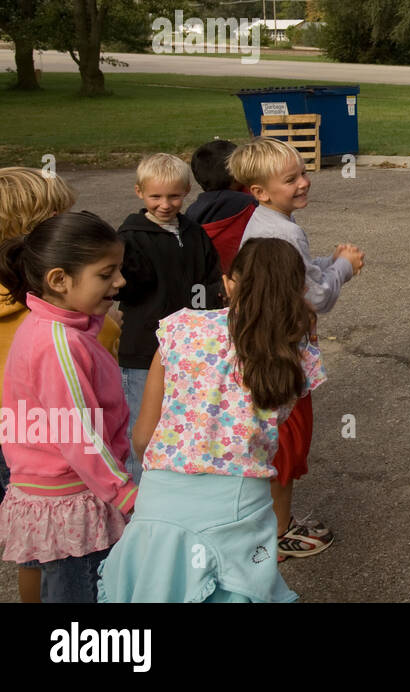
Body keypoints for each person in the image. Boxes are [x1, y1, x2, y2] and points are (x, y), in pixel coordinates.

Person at [98, 238, 322, 602]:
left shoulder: (178, 329)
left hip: (163, 495)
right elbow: (271, 429)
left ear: (229, 283)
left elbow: (143, 436)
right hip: (238, 499)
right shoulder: (297, 353)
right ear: (299, 289)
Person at [232, 136, 364, 560]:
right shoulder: (283, 232)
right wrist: (345, 266)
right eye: (291, 179)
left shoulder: (266, 223)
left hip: (268, 348)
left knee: (277, 444)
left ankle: (272, 525)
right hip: (282, 357)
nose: (304, 183)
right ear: (260, 191)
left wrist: (329, 262)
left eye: (304, 173)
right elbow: (317, 297)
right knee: (284, 445)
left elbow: (300, 276)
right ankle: (278, 534)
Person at [0, 168, 125, 603]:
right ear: (58, 278)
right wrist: (124, 491)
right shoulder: (59, 341)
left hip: (54, 485)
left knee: (57, 583)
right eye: (107, 274)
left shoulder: (48, 324)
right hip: (74, 492)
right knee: (81, 594)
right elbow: (77, 432)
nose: (120, 283)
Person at [117, 154, 223, 485]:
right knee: (142, 431)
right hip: (143, 349)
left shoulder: (195, 233)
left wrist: (207, 311)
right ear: (139, 193)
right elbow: (124, 289)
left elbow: (210, 280)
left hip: (191, 347)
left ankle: (176, 491)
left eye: (174, 196)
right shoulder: (129, 237)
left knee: (186, 422)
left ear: (187, 191)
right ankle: (136, 505)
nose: (165, 204)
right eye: (156, 197)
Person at [186, 139, 257, 274]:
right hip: (246, 279)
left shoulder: (191, 214)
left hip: (210, 283)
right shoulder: (251, 205)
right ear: (236, 174)